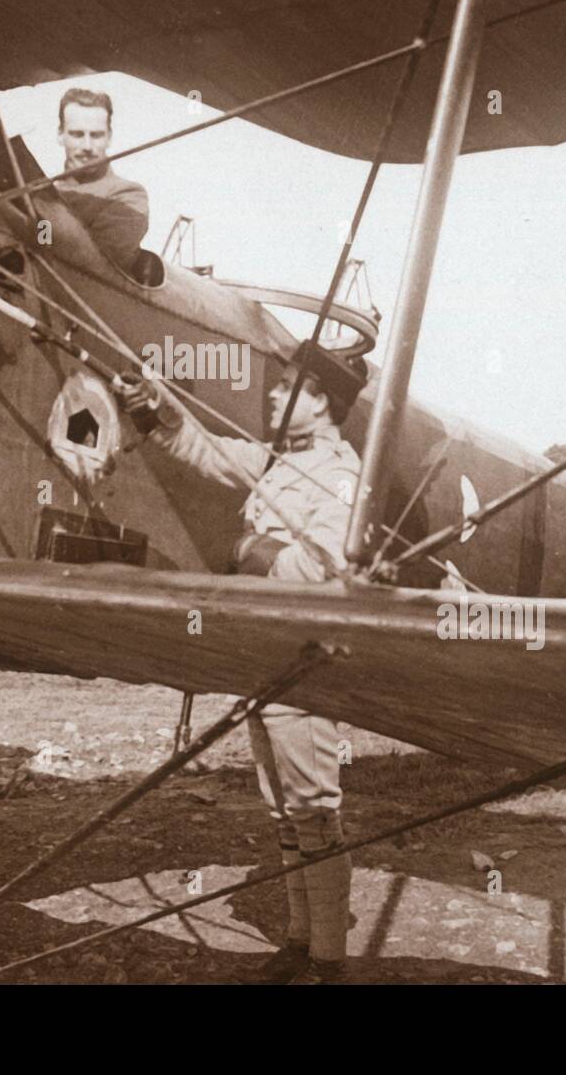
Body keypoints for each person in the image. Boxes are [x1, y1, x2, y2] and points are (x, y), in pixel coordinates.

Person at [118, 341, 367, 983]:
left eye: (289, 389)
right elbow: (206, 449)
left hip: (304, 662)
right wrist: (154, 406)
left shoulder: (341, 477)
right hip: (265, 656)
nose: (275, 396)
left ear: (323, 402)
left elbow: (322, 569)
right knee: (282, 808)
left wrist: (249, 548)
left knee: (314, 806)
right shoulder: (280, 463)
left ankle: (330, 961)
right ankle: (299, 939)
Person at [53, 88, 149, 274]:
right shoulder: (47, 194)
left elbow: (99, 266)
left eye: (96, 135)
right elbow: (42, 243)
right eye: (77, 134)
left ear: (109, 138)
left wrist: (44, 214)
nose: (87, 146)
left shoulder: (128, 196)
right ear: (60, 135)